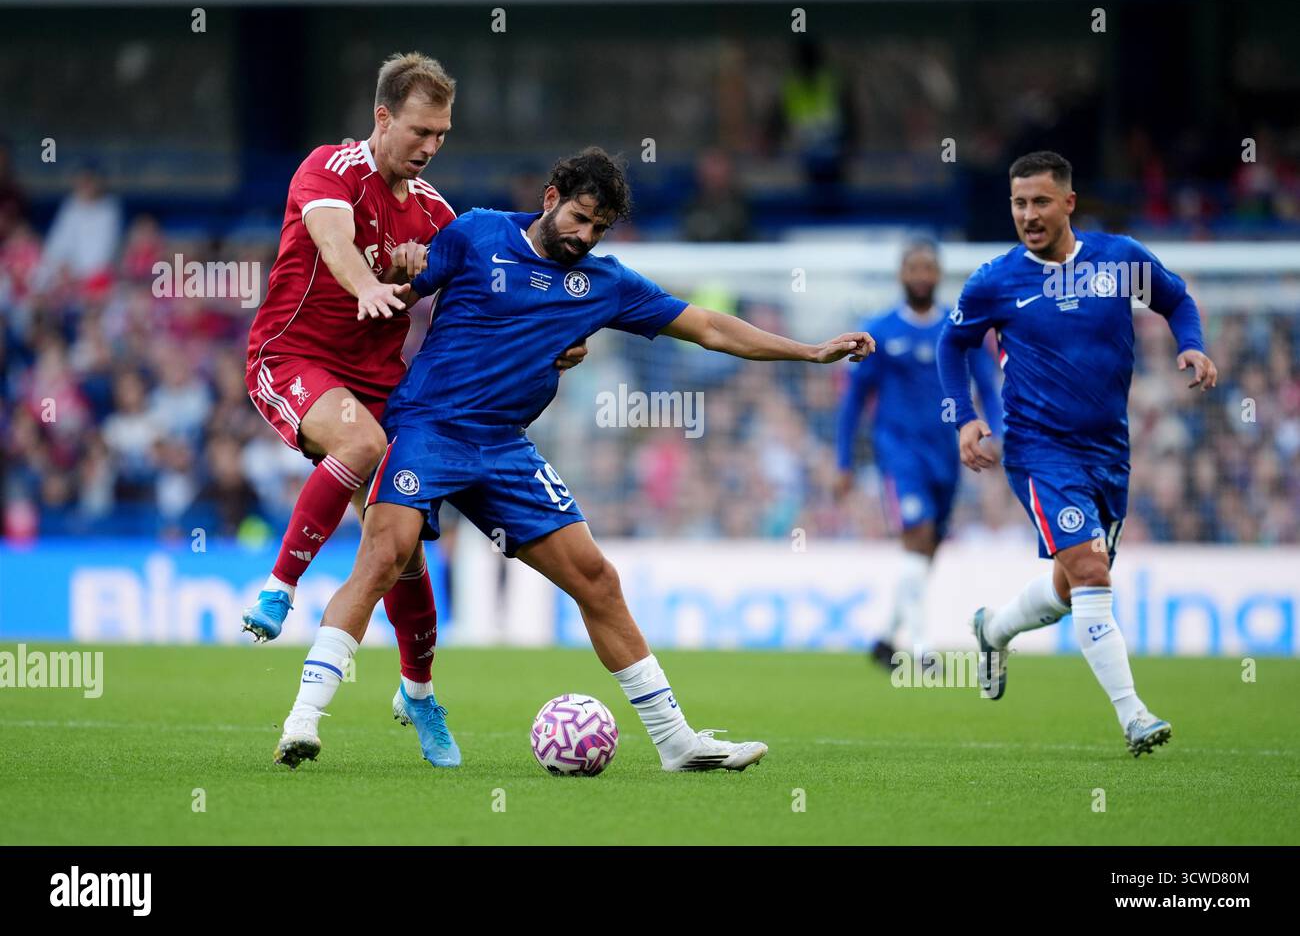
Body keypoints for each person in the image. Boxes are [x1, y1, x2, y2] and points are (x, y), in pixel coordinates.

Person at [274, 147, 875, 772]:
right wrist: (402, 265)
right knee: (382, 558)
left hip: (505, 447)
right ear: (551, 196)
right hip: (427, 430)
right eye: (580, 218)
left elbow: (708, 328)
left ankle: (676, 743)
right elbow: (393, 296)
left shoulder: (606, 284)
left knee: (597, 580)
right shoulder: (477, 232)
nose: (584, 236)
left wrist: (809, 353)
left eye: (599, 228)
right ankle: (303, 720)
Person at [241, 53, 586, 755]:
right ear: (382, 117)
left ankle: (419, 694)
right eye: (421, 131)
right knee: (362, 447)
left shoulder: (435, 213)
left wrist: (547, 344)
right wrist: (368, 284)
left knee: (400, 546)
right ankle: (279, 585)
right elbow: (333, 239)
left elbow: (486, 298)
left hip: (377, 386)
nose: (431, 148)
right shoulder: (329, 170)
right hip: (294, 358)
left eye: (442, 136)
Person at [936, 150, 1218, 757]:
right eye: (1018, 203)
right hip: (1039, 450)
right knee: (1094, 573)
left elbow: (1177, 300)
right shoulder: (995, 279)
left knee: (1071, 587)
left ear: (1068, 202)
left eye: (1040, 201)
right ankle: (1134, 716)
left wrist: (1192, 346)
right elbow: (950, 344)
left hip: (1109, 452)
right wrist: (964, 417)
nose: (1028, 215)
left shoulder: (1120, 259)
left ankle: (993, 629)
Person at [835, 239, 1002, 669]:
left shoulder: (959, 327)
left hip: (947, 454)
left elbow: (986, 383)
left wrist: (998, 432)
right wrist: (844, 462)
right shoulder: (881, 331)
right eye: (914, 268)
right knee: (918, 534)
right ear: (901, 275)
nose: (921, 276)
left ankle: (887, 638)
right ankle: (923, 649)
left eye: (929, 268)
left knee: (926, 549)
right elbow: (854, 401)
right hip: (898, 452)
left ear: (938, 275)